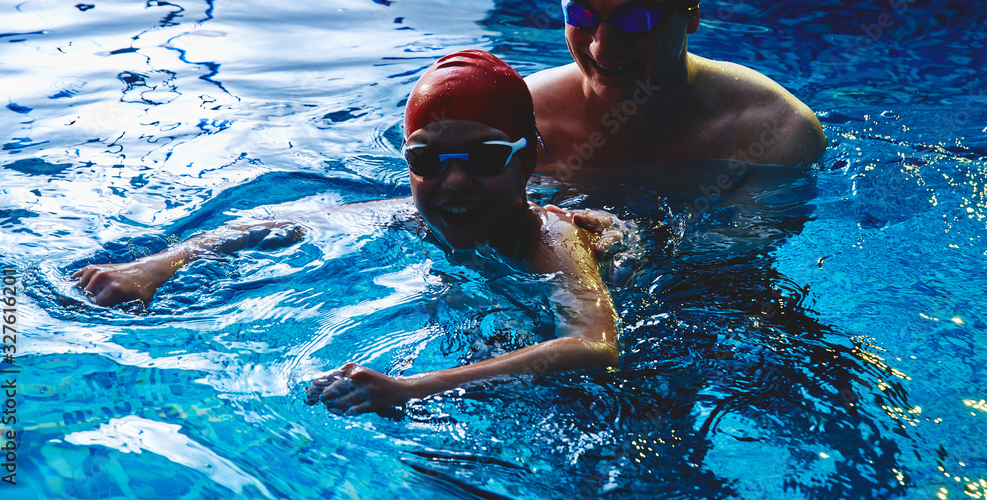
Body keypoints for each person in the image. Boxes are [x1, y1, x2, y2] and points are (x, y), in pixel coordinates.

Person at [74, 50, 622, 415]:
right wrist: (158, 264)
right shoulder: (418, 215)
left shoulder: (550, 237)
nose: (454, 181)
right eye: (428, 159)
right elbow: (287, 223)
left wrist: (409, 388)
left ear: (529, 163)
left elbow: (596, 344)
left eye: (485, 157)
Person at [526, 0, 826, 177]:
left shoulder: (774, 133)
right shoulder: (525, 121)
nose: (602, 49)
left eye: (635, 19)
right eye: (581, 14)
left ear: (692, 16)